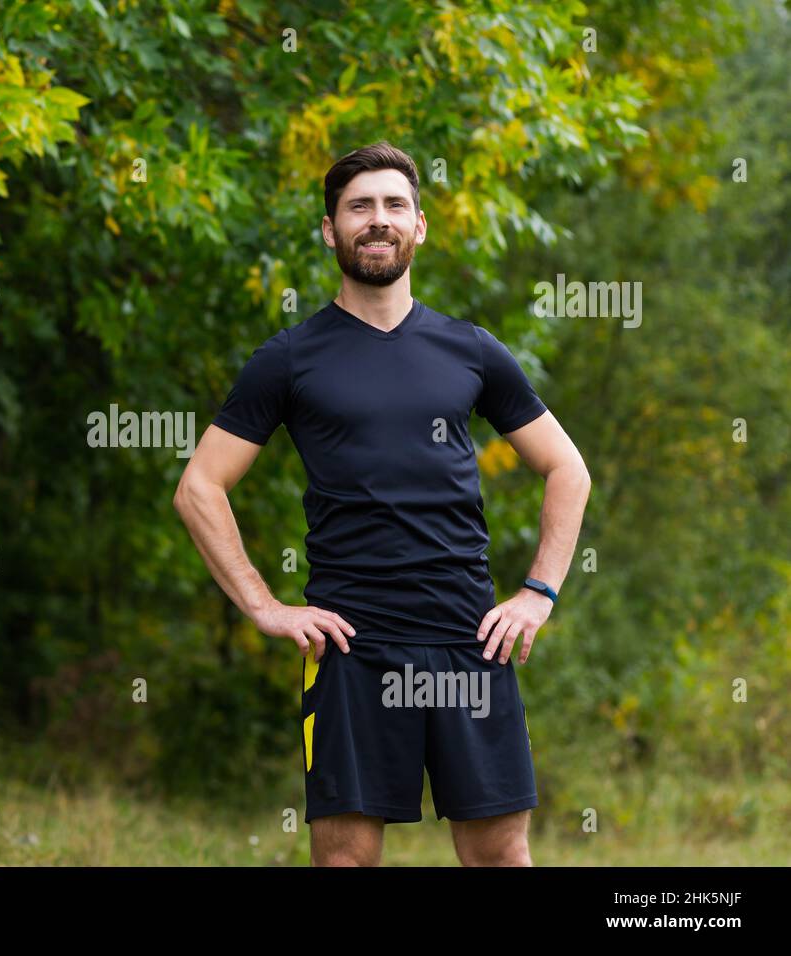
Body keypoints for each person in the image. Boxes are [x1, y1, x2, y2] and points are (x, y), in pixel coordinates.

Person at [172, 142, 591, 866]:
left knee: (499, 852)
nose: (378, 220)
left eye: (394, 205)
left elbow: (567, 468)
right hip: (349, 646)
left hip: (470, 635)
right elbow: (199, 486)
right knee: (345, 859)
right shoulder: (290, 358)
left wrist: (538, 592)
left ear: (419, 227)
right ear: (331, 231)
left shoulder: (472, 350)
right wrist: (264, 607)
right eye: (359, 206)